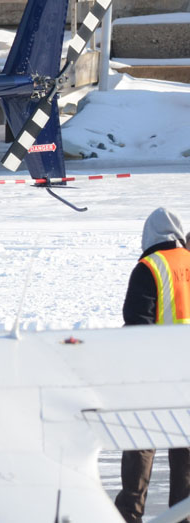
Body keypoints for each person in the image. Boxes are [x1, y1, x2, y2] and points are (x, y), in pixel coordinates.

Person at [114, 206, 190, 523]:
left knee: (141, 444)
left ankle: (129, 515)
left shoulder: (149, 266)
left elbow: (136, 324)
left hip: (155, 374)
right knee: (185, 452)